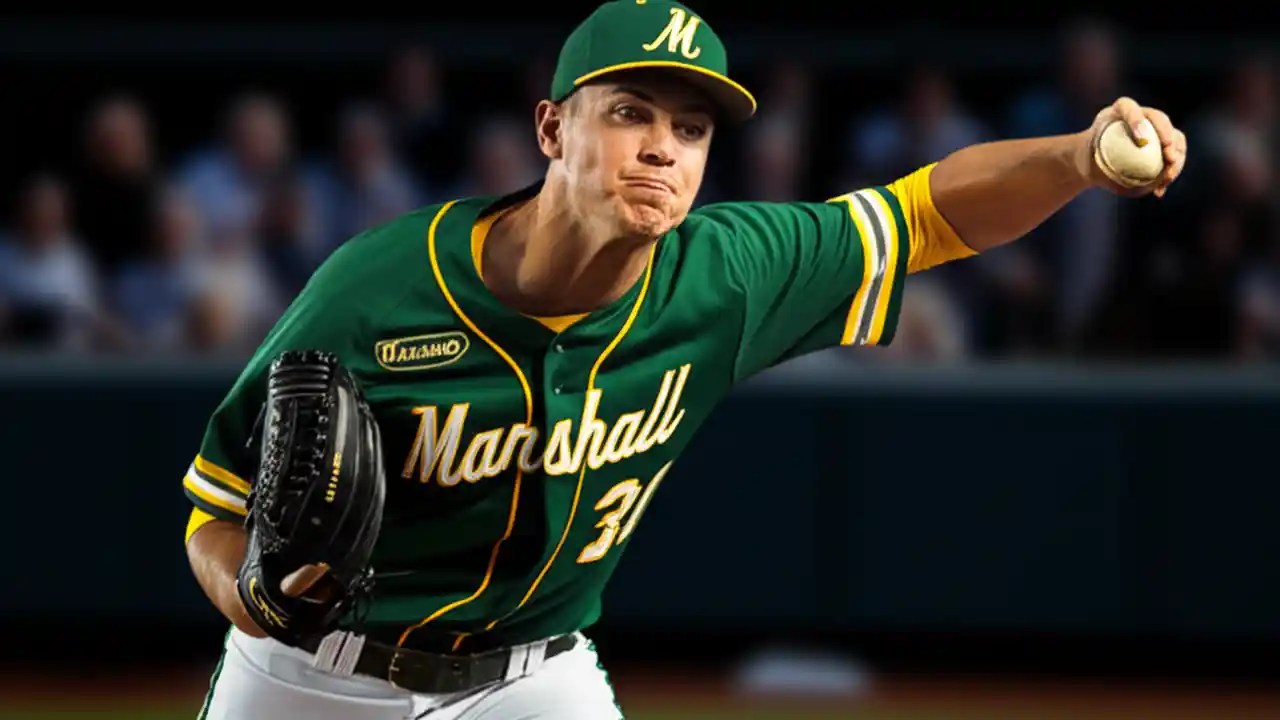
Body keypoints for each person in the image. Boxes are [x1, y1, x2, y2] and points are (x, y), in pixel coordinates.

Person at [182, 1, 1187, 718]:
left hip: (529, 680)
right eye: (629, 112)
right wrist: (252, 594)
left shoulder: (727, 274)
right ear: (550, 127)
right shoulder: (377, 288)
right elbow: (215, 512)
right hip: (310, 680)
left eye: (690, 127)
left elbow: (928, 212)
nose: (663, 147)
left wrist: (1076, 156)